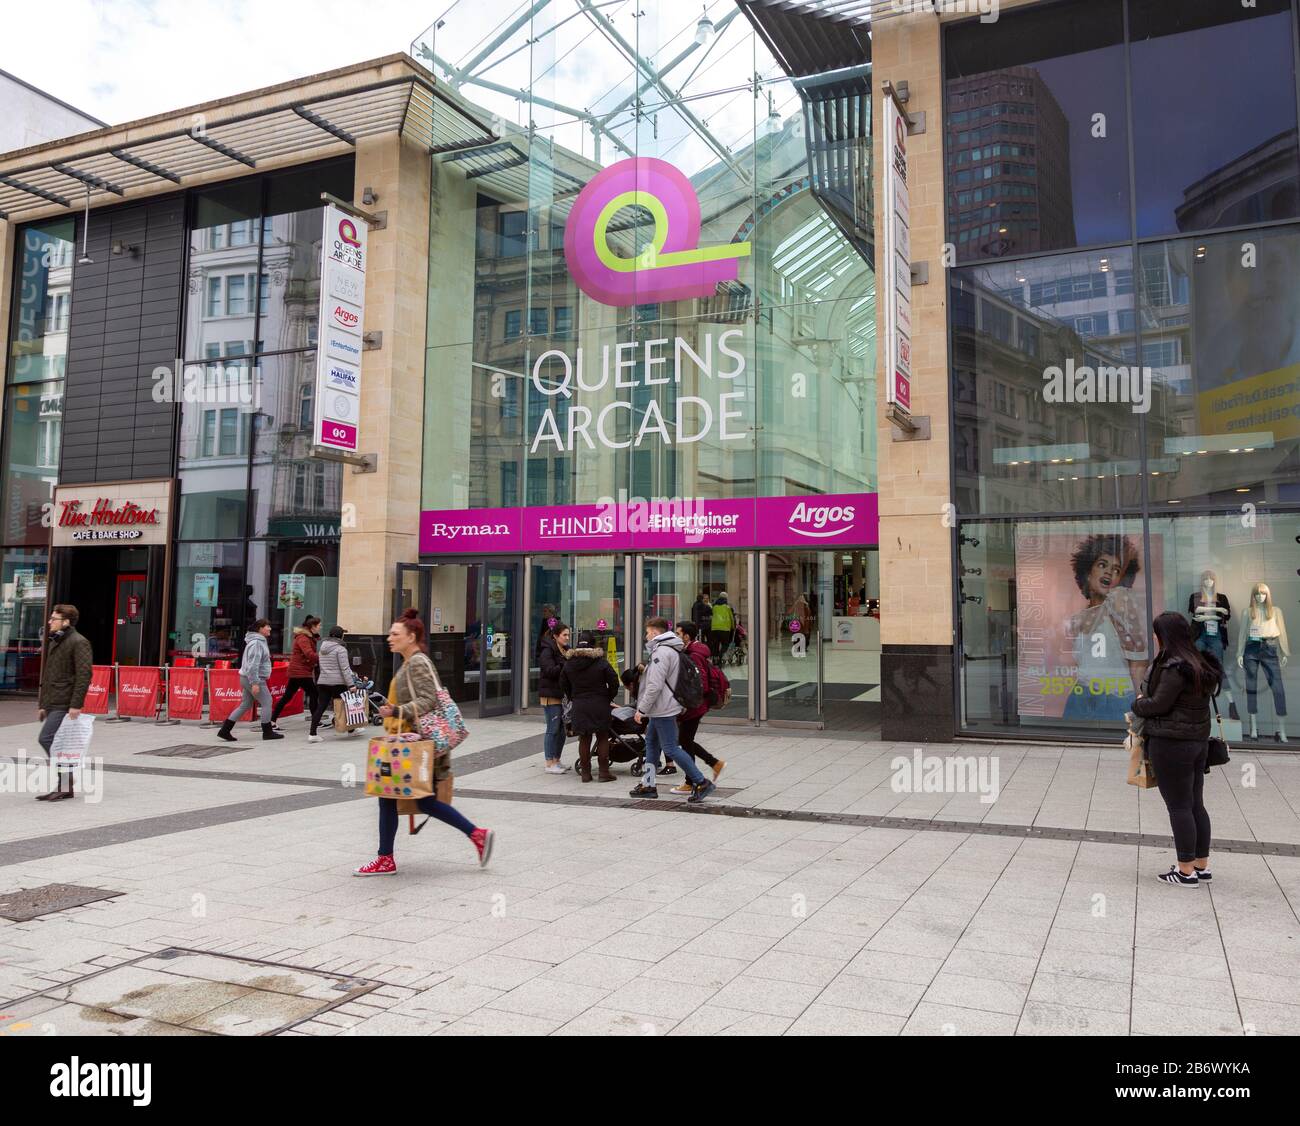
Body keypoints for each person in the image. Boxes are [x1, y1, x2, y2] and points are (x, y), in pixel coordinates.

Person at [355, 608, 493, 875]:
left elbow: (428, 701)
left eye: (395, 634)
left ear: (412, 636)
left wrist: (396, 711)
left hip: (421, 744)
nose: (389, 638)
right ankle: (476, 835)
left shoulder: (418, 662)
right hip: (417, 742)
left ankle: (387, 858)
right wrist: (393, 708)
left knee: (396, 797)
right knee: (416, 799)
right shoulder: (410, 662)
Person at [1132, 611, 1223, 887]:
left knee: (1179, 807)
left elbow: (1159, 704)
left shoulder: (1173, 666)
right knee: (1195, 804)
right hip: (1196, 743)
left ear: (1164, 636)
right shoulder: (1198, 663)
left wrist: (1137, 703)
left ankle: (1185, 871)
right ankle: (1200, 866)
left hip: (1171, 744)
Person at [631, 617, 715, 803]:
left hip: (662, 708)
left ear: (654, 633)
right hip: (660, 708)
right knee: (652, 744)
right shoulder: (669, 649)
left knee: (670, 747)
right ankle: (649, 784)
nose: (646, 636)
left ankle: (701, 782)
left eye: (647, 632)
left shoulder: (662, 652)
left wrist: (641, 709)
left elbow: (655, 685)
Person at [35, 604, 93, 802]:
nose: (50, 622)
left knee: (47, 738)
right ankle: (65, 786)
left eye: (54, 619)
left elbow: (84, 675)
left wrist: (76, 704)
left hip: (65, 701)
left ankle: (66, 782)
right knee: (56, 742)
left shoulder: (79, 642)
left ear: (66, 622)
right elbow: (50, 674)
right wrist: (43, 704)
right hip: (54, 701)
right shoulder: (56, 641)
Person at [669, 620, 726, 794]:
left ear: (687, 636)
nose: (675, 636)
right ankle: (714, 763)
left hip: (694, 704)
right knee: (684, 740)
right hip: (696, 704)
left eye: (678, 634)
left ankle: (691, 781)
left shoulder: (693, 655)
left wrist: (688, 701)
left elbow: (700, 681)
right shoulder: (693, 650)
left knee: (684, 742)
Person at [560, 630, 620, 783]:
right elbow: (614, 680)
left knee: (584, 738)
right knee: (602, 736)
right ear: (593, 645)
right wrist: (608, 696)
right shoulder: (600, 662)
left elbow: (563, 684)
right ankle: (604, 772)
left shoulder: (569, 664)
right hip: (600, 702)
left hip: (579, 704)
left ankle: (586, 774)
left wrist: (574, 695)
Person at [218, 619, 282, 742]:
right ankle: (267, 732)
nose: (270, 628)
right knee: (267, 702)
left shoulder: (257, 642)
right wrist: (255, 683)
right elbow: (253, 665)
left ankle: (225, 730)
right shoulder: (257, 643)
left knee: (245, 705)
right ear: (260, 629)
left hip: (247, 677)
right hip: (254, 678)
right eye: (267, 626)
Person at [271, 615, 320, 727]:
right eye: (318, 626)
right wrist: (322, 657)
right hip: (300, 672)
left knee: (287, 696)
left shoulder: (308, 637)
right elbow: (309, 654)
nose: (320, 628)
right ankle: (315, 721)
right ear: (312, 627)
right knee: (314, 693)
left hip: (298, 671)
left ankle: (272, 720)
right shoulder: (303, 638)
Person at [538, 621, 571, 774]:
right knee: (553, 729)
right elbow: (549, 671)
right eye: (564, 635)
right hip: (550, 695)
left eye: (568, 635)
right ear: (556, 636)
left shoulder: (566, 650)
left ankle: (557, 760)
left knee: (562, 730)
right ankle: (549, 762)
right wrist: (565, 664)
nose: (567, 638)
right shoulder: (548, 651)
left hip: (562, 695)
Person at [310, 626, 352, 743]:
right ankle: (352, 729)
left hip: (324, 681)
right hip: (338, 682)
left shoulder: (322, 648)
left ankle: (312, 733)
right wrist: (351, 684)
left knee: (321, 707)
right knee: (345, 705)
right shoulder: (341, 649)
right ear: (340, 635)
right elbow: (345, 668)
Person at [709, 592, 735, 662]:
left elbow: (711, 616)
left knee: (715, 644)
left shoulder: (714, 607)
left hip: (714, 628)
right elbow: (731, 618)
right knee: (725, 644)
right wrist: (733, 627)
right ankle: (721, 655)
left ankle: (715, 658)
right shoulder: (727, 607)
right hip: (725, 629)